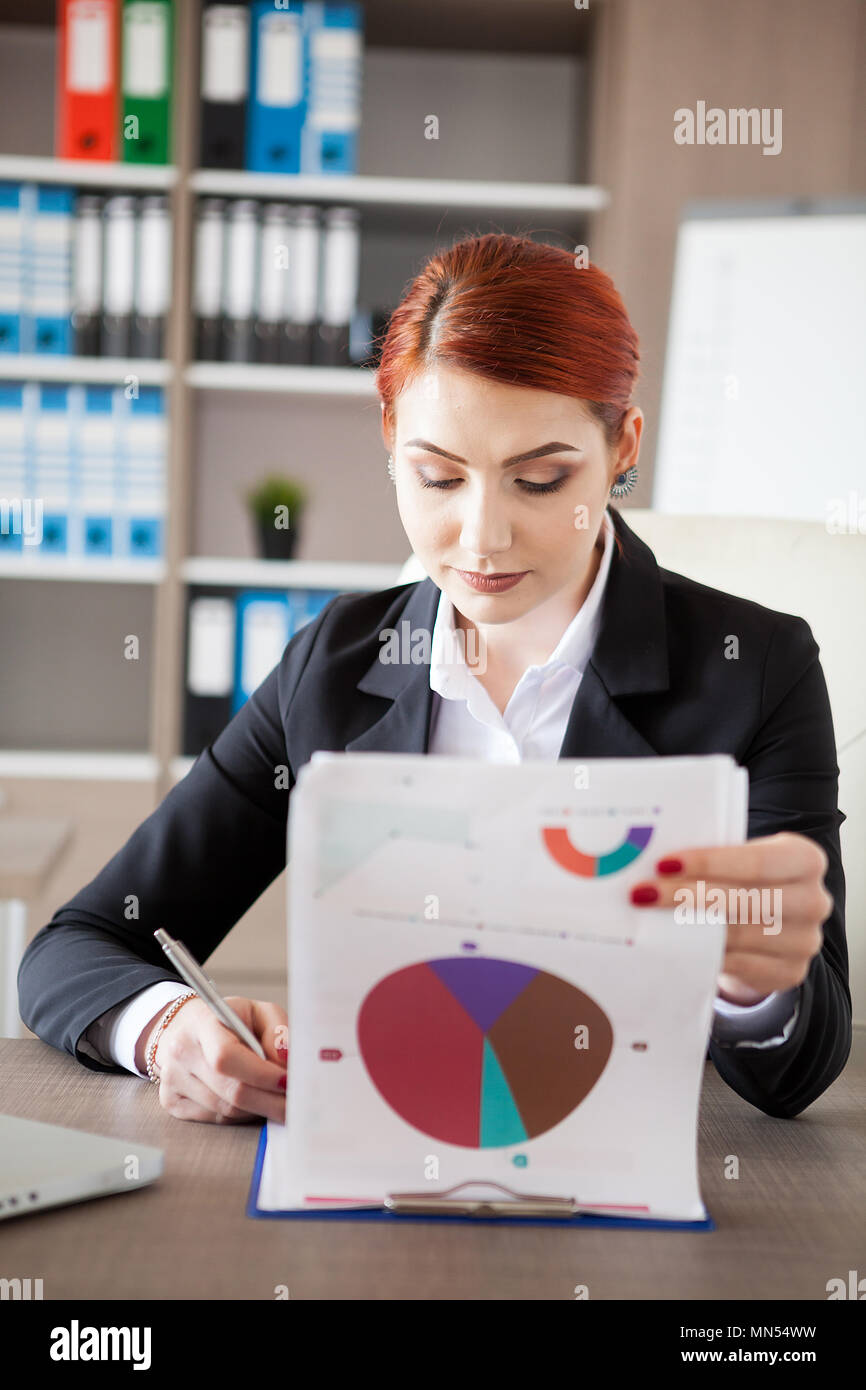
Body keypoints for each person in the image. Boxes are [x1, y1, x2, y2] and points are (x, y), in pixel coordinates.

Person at [18, 233, 850, 1125]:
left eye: (540, 480)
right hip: (379, 1158)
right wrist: (166, 1027)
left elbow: (800, 1069)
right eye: (438, 477)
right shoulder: (333, 669)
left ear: (622, 448)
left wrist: (749, 980)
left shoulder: (756, 668)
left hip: (636, 1162)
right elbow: (78, 946)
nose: (482, 536)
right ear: (391, 442)